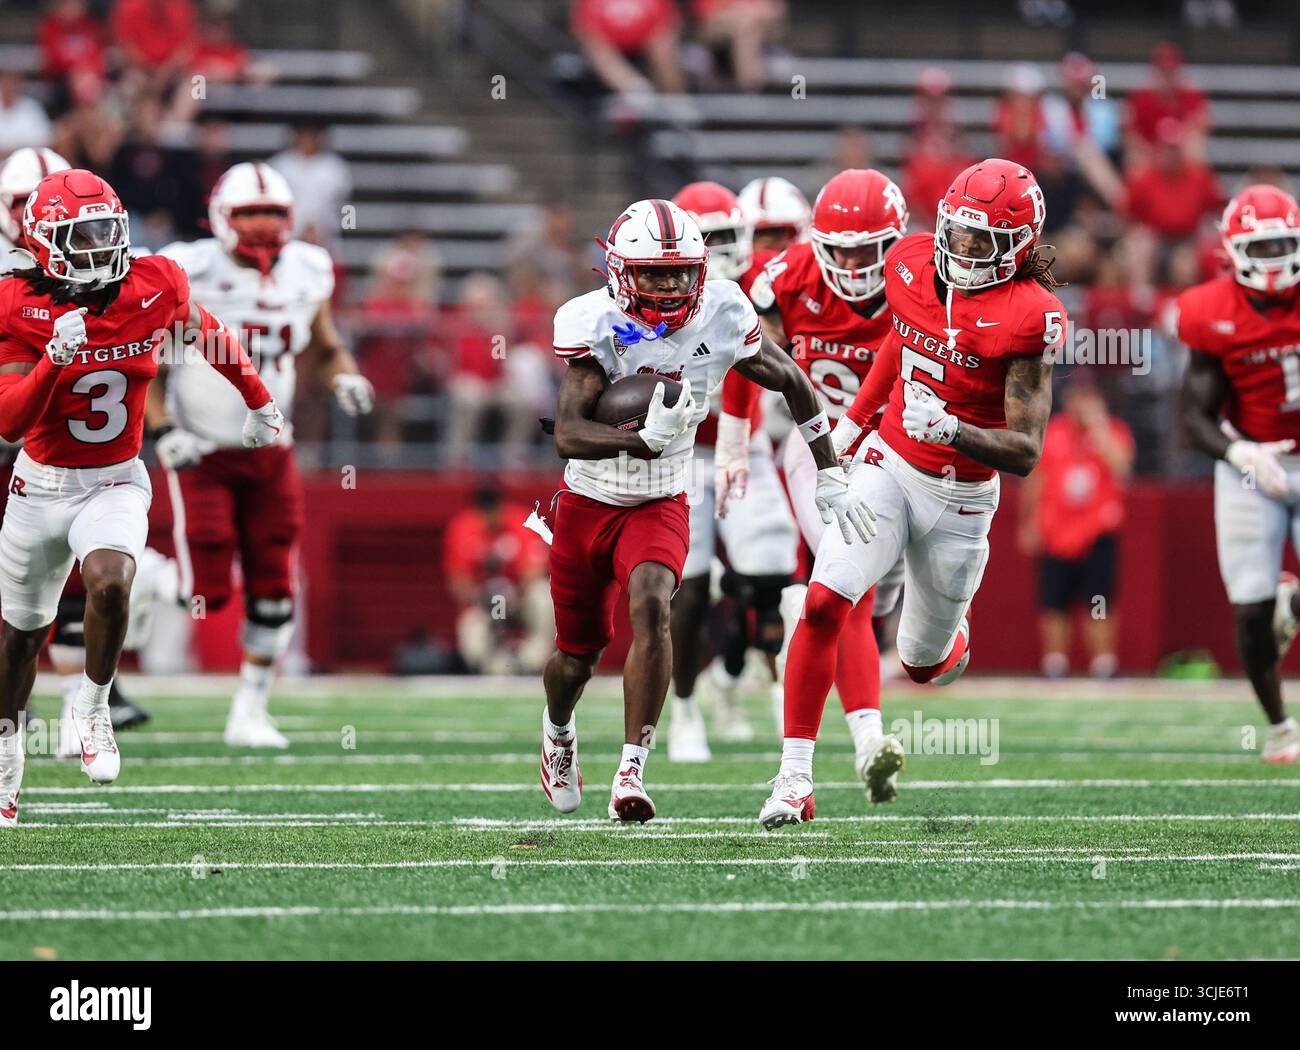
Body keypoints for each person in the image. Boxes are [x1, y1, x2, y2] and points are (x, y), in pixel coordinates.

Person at [540, 197, 872, 823]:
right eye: (654, 273)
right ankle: (558, 731)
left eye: (680, 272)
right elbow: (569, 432)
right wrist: (639, 437)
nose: (669, 286)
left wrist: (830, 468)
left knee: (653, 603)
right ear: (619, 272)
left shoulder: (721, 309)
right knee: (576, 657)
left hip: (662, 495)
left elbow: (793, 380)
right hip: (588, 499)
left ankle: (630, 771)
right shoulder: (592, 321)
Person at [760, 158, 1067, 828]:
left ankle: (950, 641)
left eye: (979, 241)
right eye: (954, 233)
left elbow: (1026, 452)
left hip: (961, 499)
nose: (959, 250)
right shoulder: (906, 261)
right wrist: (847, 428)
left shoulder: (1031, 317)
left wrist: (954, 427)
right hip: (890, 465)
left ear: (1018, 244)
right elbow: (904, 343)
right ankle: (794, 780)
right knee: (823, 601)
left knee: (923, 664)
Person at [0, 168, 283, 826]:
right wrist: (53, 362)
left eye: (108, 231)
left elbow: (207, 331)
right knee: (17, 643)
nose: (102, 248)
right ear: (43, 242)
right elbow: (9, 422)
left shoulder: (152, 282)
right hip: (40, 485)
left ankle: (93, 709)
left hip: (116, 474)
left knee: (110, 582)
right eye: (83, 236)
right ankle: (8, 756)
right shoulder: (17, 303)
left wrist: (258, 398)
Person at [149, 162, 373, 748]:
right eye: (250, 214)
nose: (263, 227)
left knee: (275, 580)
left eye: (273, 214)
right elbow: (141, 358)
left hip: (272, 449)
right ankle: (133, 574)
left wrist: (343, 376)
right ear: (221, 217)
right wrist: (163, 429)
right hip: (201, 449)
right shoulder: (185, 269)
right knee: (206, 591)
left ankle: (250, 708)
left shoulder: (308, 269)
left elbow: (324, 345)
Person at [734, 169, 909, 778]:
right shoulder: (785, 278)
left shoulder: (924, 279)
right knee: (849, 590)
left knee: (908, 628)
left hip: (902, 457)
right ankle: (868, 743)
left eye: (869, 249)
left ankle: (808, 611)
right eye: (843, 249)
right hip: (821, 448)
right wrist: (735, 440)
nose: (856, 264)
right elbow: (746, 356)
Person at [666, 181, 798, 759]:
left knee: (772, 567)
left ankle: (752, 674)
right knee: (687, 591)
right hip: (682, 456)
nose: (722, 249)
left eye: (728, 235)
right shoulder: (658, 289)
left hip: (748, 448)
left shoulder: (767, 278)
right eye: (708, 237)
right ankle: (685, 708)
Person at [1178, 184, 1300, 764]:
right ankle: (1279, 726)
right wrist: (1241, 454)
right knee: (1250, 606)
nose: (1275, 259)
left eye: (1284, 245)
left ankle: (1290, 607)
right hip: (1254, 464)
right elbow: (1195, 416)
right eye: (1263, 247)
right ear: (1232, 251)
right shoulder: (1209, 312)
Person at [1019, 381, 1134, 678]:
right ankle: (1055, 663)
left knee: (1099, 599)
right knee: (1054, 601)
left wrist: (1099, 427)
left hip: (1097, 530)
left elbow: (1121, 466)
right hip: (1057, 530)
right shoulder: (1053, 432)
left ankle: (1103, 663)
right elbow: (1035, 479)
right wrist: (1029, 521)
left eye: (1088, 398)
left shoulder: (1112, 431)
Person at [443, 486, 552, 674]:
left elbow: (536, 568)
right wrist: (484, 596)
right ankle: (493, 667)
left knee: (543, 595)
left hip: (520, 597)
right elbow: (457, 581)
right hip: (484, 602)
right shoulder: (463, 527)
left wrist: (512, 593)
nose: (490, 517)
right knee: (473, 641)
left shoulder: (522, 521)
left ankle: (532, 661)